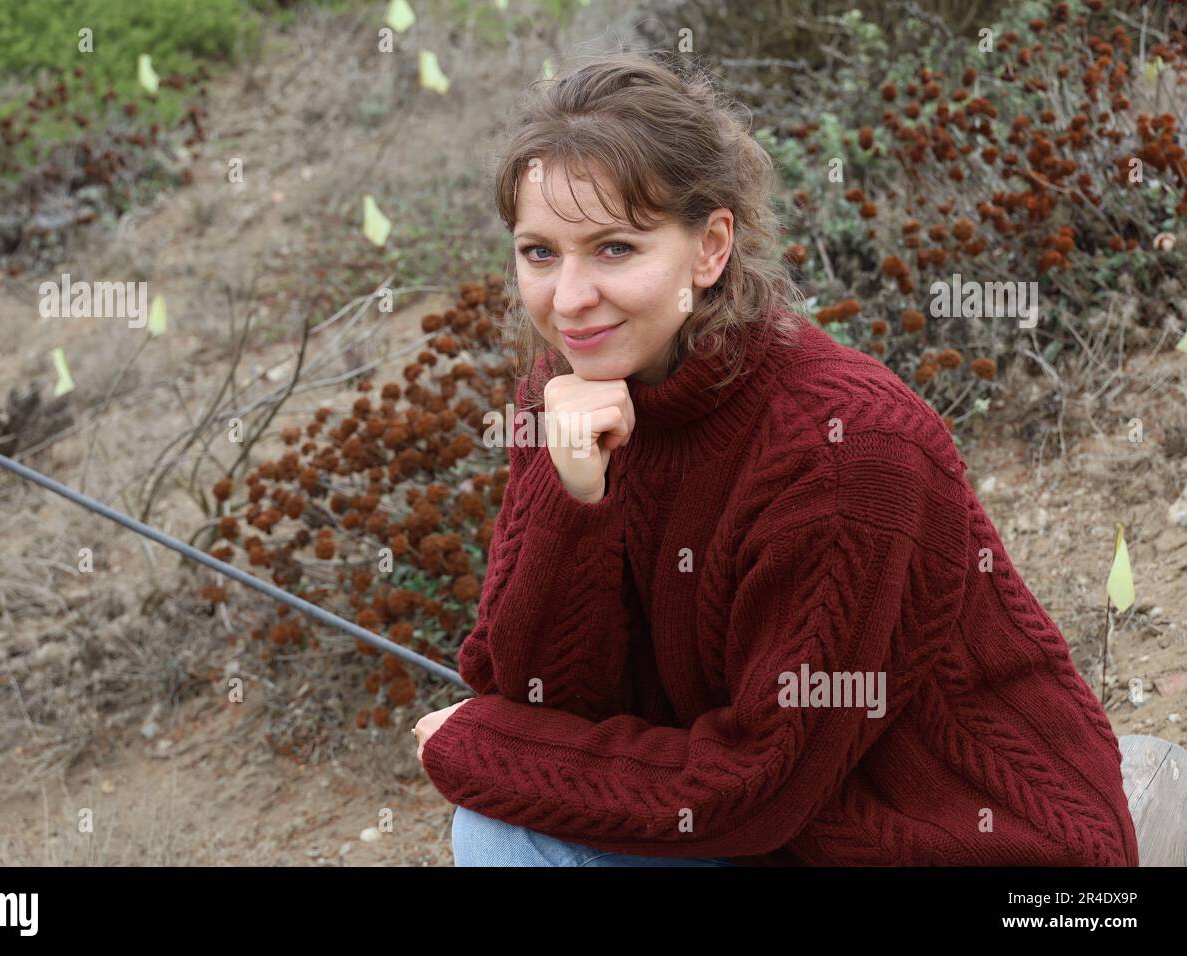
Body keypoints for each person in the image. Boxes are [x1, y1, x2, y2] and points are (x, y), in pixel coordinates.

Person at [412, 51, 1138, 867]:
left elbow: (753, 787)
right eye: (539, 252)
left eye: (614, 248)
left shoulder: (846, 455)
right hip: (771, 828)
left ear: (711, 246)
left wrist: (482, 749)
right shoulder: (571, 391)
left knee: (504, 828)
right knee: (504, 829)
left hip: (979, 848)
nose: (569, 298)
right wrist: (573, 499)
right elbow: (533, 693)